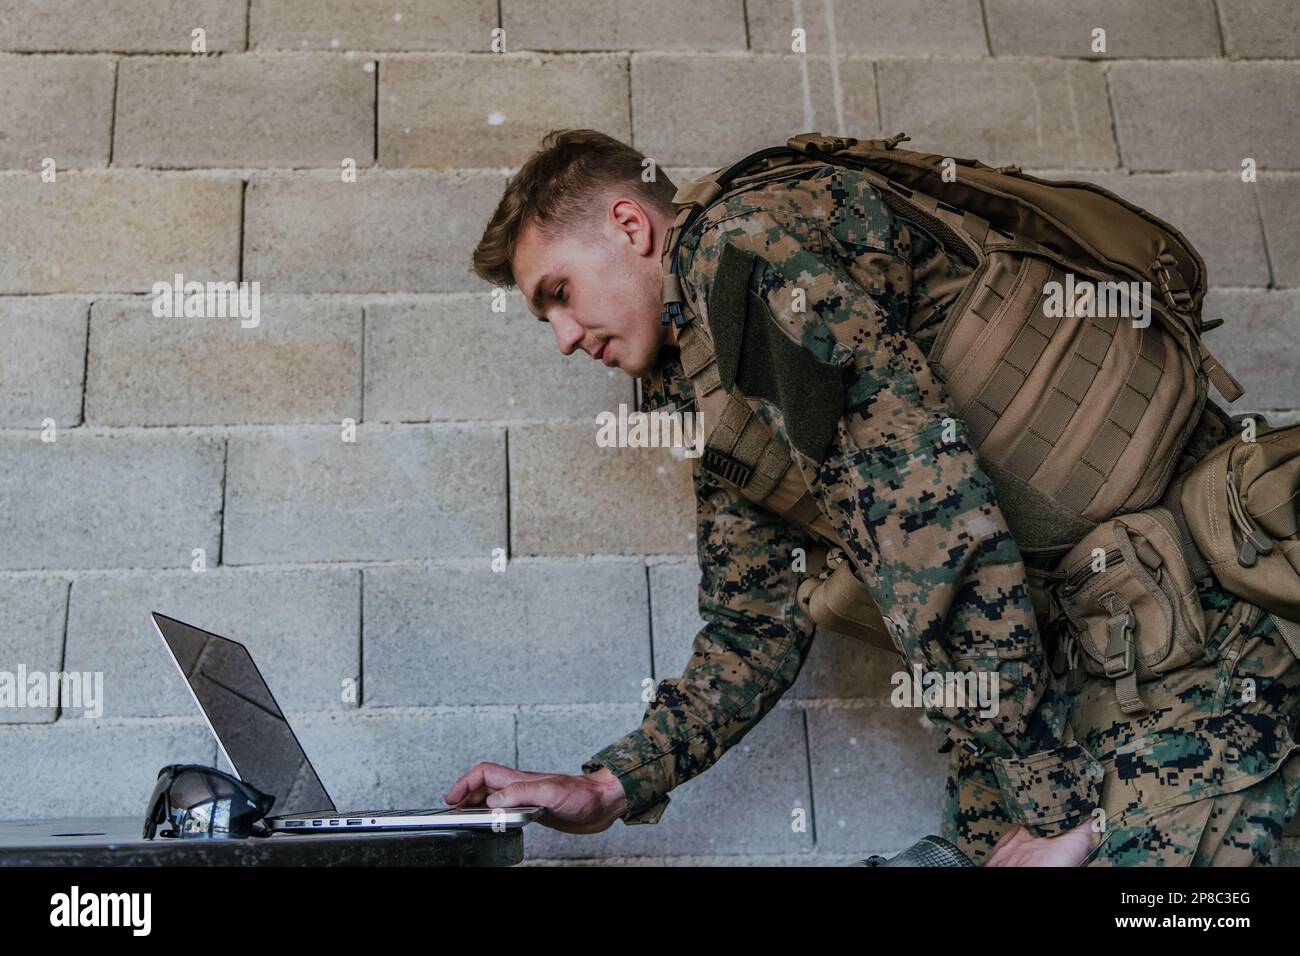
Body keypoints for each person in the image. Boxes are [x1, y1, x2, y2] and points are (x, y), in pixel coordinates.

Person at [444, 128, 1300, 866]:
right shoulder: (698, 381)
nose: (562, 338)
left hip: (1193, 632)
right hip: (1070, 672)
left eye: (557, 293)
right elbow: (756, 621)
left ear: (629, 225)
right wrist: (611, 782)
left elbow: (932, 520)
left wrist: (1058, 812)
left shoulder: (743, 249)